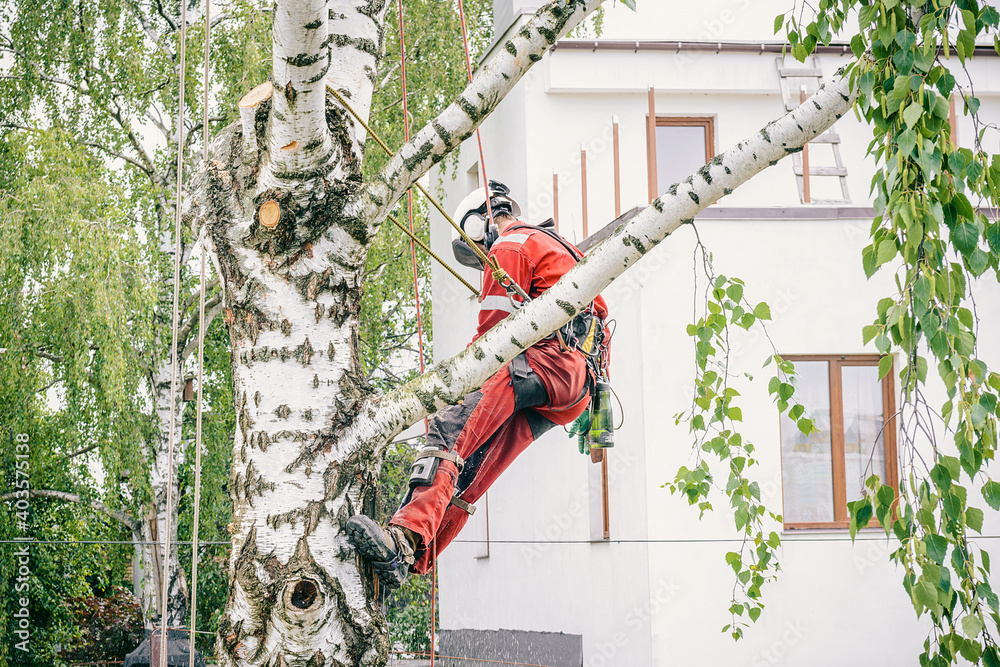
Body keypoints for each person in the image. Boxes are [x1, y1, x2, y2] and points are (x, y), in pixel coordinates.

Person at [347, 181, 609, 593]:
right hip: (571, 387)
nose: (484, 261)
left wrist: (453, 390)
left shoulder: (510, 246)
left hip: (537, 364)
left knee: (450, 433)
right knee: (475, 463)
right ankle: (415, 557)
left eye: (477, 250)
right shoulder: (560, 247)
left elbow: (491, 344)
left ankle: (404, 537)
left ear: (482, 224)